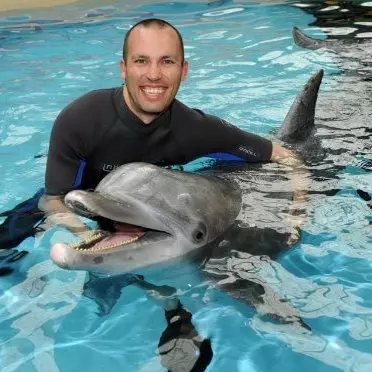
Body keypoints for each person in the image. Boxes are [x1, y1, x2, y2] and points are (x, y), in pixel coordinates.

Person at [0, 18, 307, 252]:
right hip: (80, 204)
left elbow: (284, 155)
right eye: (141, 61)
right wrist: (89, 236)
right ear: (123, 68)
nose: (154, 75)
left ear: (183, 70)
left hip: (149, 214)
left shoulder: (195, 129)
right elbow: (54, 200)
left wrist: (297, 212)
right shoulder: (81, 119)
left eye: (167, 61)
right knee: (7, 247)